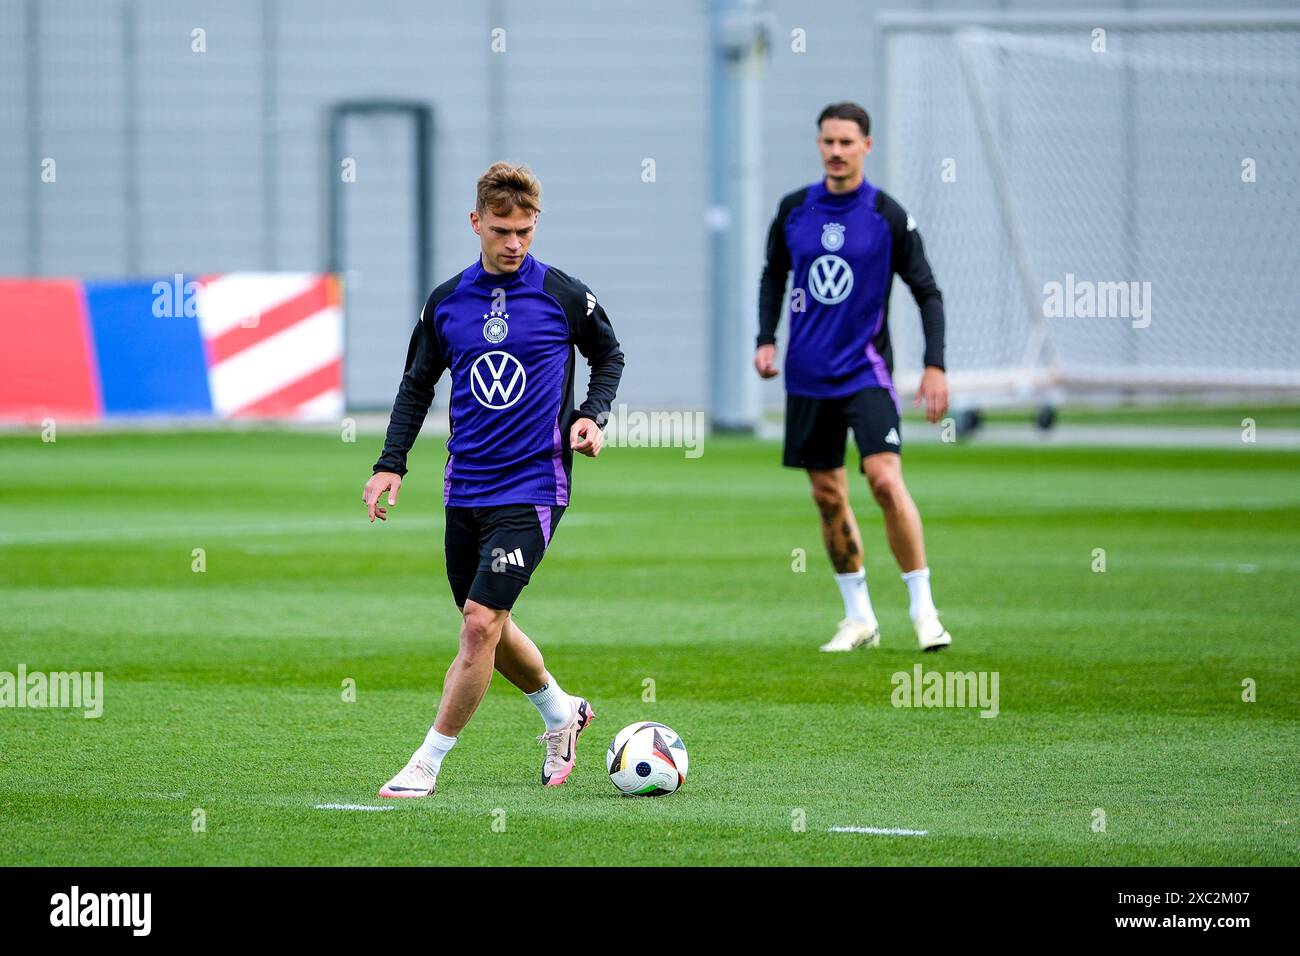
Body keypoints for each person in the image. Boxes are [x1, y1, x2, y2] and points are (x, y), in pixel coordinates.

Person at [363, 161, 624, 796]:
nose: (514, 243)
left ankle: (427, 762)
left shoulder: (564, 295)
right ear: (475, 223)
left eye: (526, 231)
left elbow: (608, 354)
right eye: (502, 229)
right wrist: (390, 463)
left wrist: (591, 416)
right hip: (465, 489)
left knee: (479, 622)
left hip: (535, 486)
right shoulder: (447, 301)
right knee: (490, 622)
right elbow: (416, 384)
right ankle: (563, 712)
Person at [755, 102, 952, 653]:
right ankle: (859, 616)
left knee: (885, 481)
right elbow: (773, 275)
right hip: (807, 377)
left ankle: (924, 611)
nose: (836, 151)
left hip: (865, 373)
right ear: (819, 145)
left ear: (867, 145)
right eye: (827, 142)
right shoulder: (795, 209)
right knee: (826, 495)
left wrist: (935, 364)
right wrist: (765, 338)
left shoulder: (887, 216)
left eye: (846, 142)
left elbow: (927, 291)